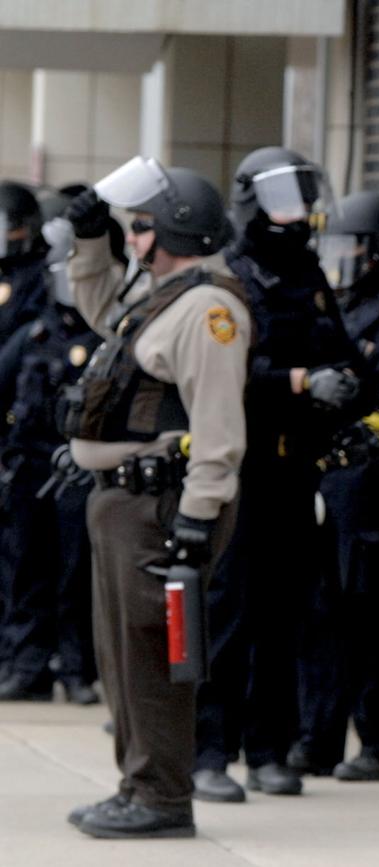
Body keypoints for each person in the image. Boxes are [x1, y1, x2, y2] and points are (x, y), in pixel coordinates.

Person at [59, 158, 251, 838]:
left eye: (141, 226)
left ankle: (162, 797)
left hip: (161, 504)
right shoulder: (165, 296)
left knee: (150, 656)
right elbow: (102, 312)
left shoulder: (208, 309)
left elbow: (218, 427)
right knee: (122, 655)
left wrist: (198, 516)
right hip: (125, 502)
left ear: (176, 229)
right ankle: (138, 785)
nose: (133, 237)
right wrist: (92, 241)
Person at [193, 146, 365, 803]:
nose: (298, 214)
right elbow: (224, 376)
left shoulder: (308, 273)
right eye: (285, 200)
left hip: (297, 469)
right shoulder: (231, 279)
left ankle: (268, 748)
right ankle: (209, 751)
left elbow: (338, 347)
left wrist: (346, 379)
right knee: (228, 612)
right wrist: (296, 380)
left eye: (302, 198)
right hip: (244, 467)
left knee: (283, 614)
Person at [289, 191, 379, 781]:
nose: (339, 259)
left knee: (369, 617)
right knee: (319, 614)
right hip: (327, 480)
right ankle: (318, 739)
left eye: (349, 247)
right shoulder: (338, 309)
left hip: (377, 489)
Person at [0, 204, 101, 704]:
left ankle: (76, 669)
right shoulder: (33, 334)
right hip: (30, 467)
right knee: (27, 571)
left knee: (74, 575)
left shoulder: (103, 338)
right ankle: (28, 666)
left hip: (76, 470)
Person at [0, 182, 50, 347]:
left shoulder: (43, 271)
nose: (4, 236)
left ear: (29, 227)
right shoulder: (6, 271)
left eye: (10, 229)